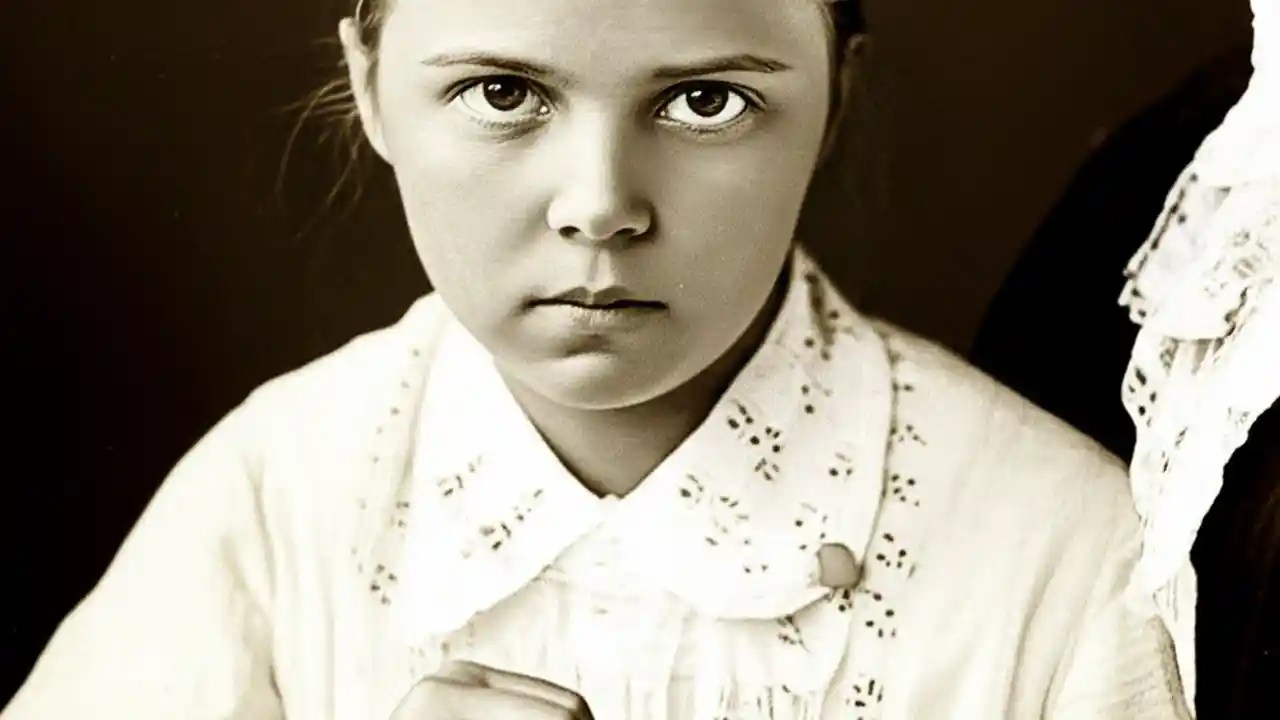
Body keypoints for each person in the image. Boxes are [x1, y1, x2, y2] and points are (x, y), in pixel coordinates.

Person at [2, 0, 1190, 717]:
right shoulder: (278, 493)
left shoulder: (1064, 555)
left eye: (707, 102)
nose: (601, 205)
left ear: (835, 98)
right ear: (369, 82)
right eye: (503, 92)